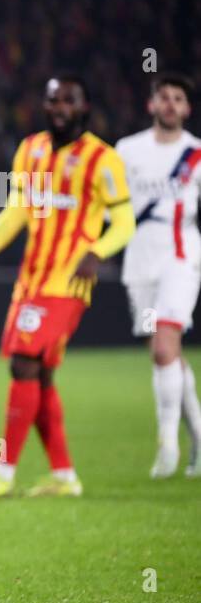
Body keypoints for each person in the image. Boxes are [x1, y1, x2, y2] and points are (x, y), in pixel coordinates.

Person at [0, 75, 135, 498]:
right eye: (53, 100)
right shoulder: (30, 149)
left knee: (23, 362)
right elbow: (14, 214)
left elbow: (124, 223)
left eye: (68, 101)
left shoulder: (102, 160)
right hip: (30, 282)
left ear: (84, 107)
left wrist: (97, 251)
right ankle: (64, 475)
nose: (59, 108)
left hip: (67, 284)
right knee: (41, 377)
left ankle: (3, 473)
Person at [115, 74, 201, 477]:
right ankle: (199, 438)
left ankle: (167, 443)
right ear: (152, 105)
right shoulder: (127, 150)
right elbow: (109, 204)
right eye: (163, 97)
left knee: (164, 348)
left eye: (178, 99)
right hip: (139, 261)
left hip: (181, 257)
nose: (170, 104)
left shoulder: (196, 153)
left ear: (186, 109)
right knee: (168, 354)